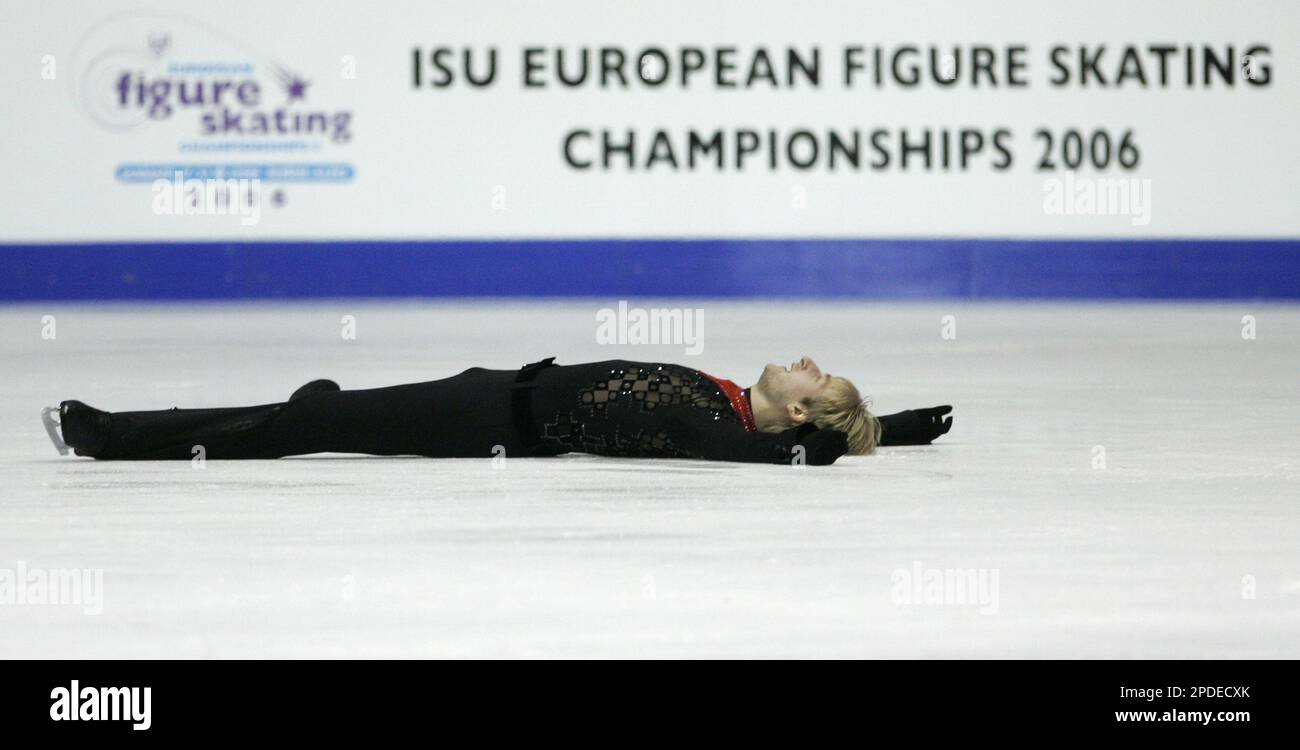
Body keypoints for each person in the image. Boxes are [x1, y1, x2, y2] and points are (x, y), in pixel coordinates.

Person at [43, 356, 952, 465]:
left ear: (797, 415)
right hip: (485, 393)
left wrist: (821, 450)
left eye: (817, 382)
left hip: (474, 424)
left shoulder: (711, 426)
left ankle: (113, 436)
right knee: (313, 413)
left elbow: (750, 457)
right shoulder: (719, 396)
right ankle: (131, 432)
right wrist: (896, 426)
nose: (808, 364)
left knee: (306, 421)